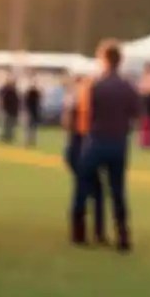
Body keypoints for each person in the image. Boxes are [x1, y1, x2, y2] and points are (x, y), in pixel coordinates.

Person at [72, 40, 137, 252]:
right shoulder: (128, 87)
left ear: (104, 60)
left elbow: (87, 113)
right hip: (118, 142)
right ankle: (123, 235)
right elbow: (136, 112)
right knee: (117, 190)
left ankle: (79, 231)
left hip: (97, 140)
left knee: (83, 185)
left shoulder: (96, 85)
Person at [62, 77, 106, 244]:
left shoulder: (75, 97)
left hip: (77, 145)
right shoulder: (85, 97)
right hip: (83, 144)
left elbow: (67, 122)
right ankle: (94, 232)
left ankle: (81, 232)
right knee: (91, 190)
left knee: (85, 190)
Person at [0, 77, 20, 143]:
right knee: (8, 124)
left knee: (10, 124)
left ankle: (8, 136)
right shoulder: (8, 92)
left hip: (12, 111)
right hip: (9, 110)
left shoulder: (13, 92)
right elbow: (4, 101)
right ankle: (7, 136)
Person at [23, 78, 42, 148]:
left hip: (34, 112)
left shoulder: (36, 93)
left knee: (33, 129)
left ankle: (31, 142)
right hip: (31, 112)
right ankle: (28, 142)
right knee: (29, 128)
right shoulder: (30, 93)